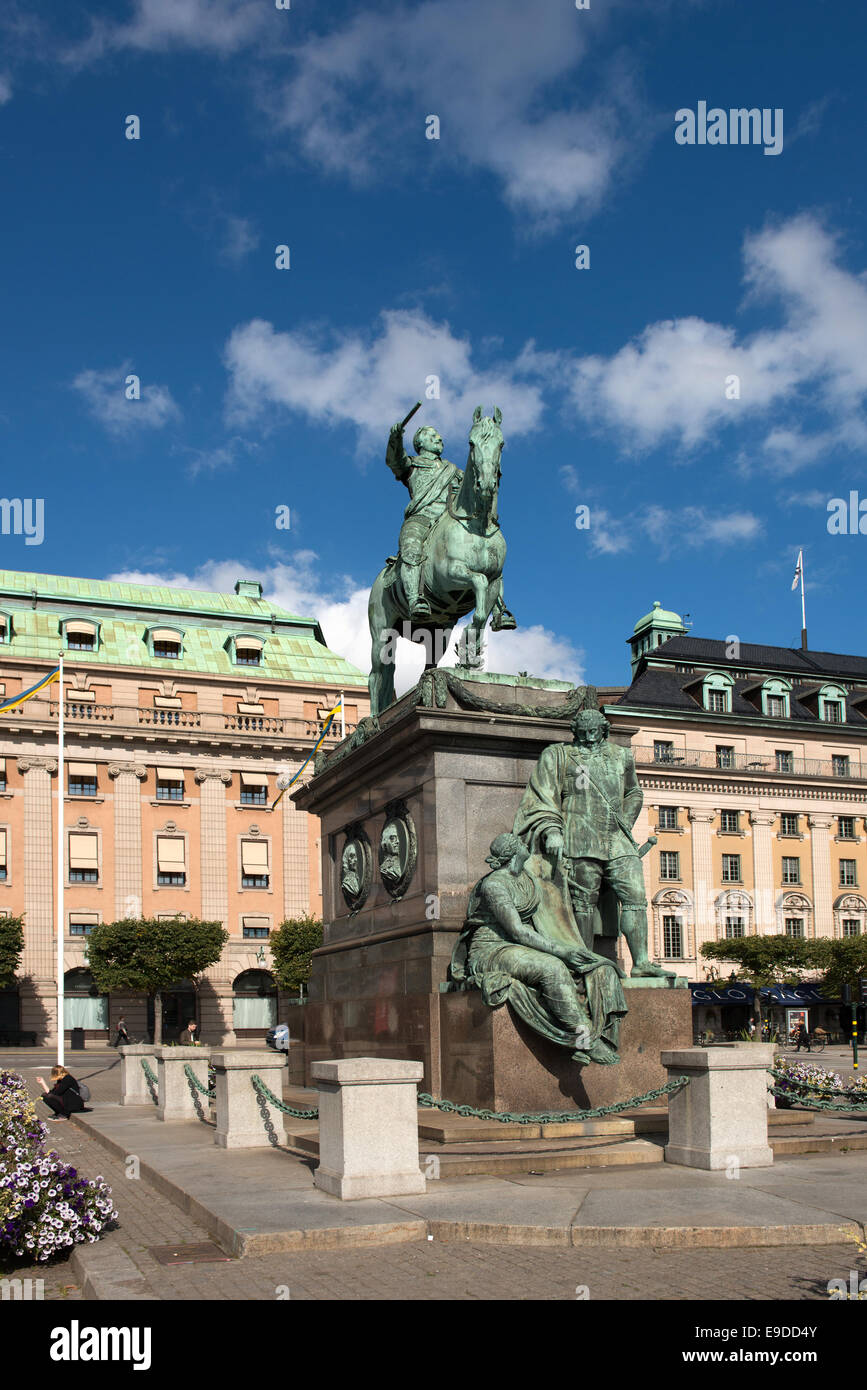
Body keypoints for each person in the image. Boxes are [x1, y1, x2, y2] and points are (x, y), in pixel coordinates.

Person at [513, 707, 673, 977]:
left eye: (594, 733)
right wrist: (552, 830)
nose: (588, 738)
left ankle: (642, 963)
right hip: (580, 837)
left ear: (604, 731)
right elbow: (544, 796)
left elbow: (633, 791)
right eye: (583, 733)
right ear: (575, 732)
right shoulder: (559, 755)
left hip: (617, 839)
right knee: (583, 902)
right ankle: (585, 961)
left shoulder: (621, 755)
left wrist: (626, 818)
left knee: (635, 897)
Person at [450, 832, 626, 1064]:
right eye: (522, 843)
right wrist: (562, 951)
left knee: (599, 967)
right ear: (513, 853)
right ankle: (586, 1040)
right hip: (491, 950)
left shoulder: (527, 879)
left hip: (521, 947)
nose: (527, 845)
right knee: (551, 967)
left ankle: (598, 1032)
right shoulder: (494, 884)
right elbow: (517, 931)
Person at [385, 420, 463, 620]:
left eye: (438, 435)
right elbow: (395, 460)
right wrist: (396, 438)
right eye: (433, 436)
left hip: (451, 519)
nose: (439, 438)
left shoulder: (454, 471)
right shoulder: (412, 465)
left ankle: (498, 605)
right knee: (411, 547)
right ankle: (414, 599)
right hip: (422, 518)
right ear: (420, 444)